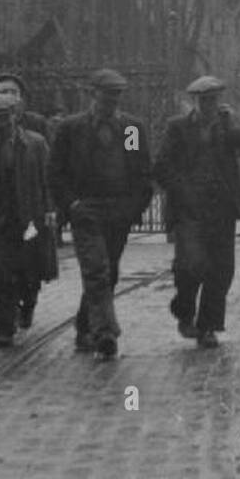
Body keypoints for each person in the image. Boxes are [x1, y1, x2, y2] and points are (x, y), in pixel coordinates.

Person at [49, 69, 152, 360]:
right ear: (92, 93)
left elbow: (141, 170)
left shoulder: (131, 129)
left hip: (119, 211)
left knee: (111, 272)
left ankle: (84, 326)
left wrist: (134, 208)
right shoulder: (72, 129)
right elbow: (56, 173)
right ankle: (105, 333)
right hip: (87, 210)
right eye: (107, 94)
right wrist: (72, 205)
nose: (112, 101)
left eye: (117, 95)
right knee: (96, 270)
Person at [154, 76, 240, 348]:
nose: (209, 105)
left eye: (214, 100)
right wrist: (182, 190)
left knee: (221, 269)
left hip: (221, 208)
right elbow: (161, 165)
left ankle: (208, 325)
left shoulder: (228, 128)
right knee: (192, 265)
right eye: (203, 100)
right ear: (194, 101)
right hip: (189, 211)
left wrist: (233, 126)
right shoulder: (177, 128)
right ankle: (184, 309)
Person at [0, 94, 54, 348]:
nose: (1, 124)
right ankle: (4, 328)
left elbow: (47, 179)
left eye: (5, 118)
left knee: (29, 269)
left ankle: (29, 303)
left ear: (15, 115)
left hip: (29, 218)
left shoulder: (36, 144)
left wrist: (50, 210)